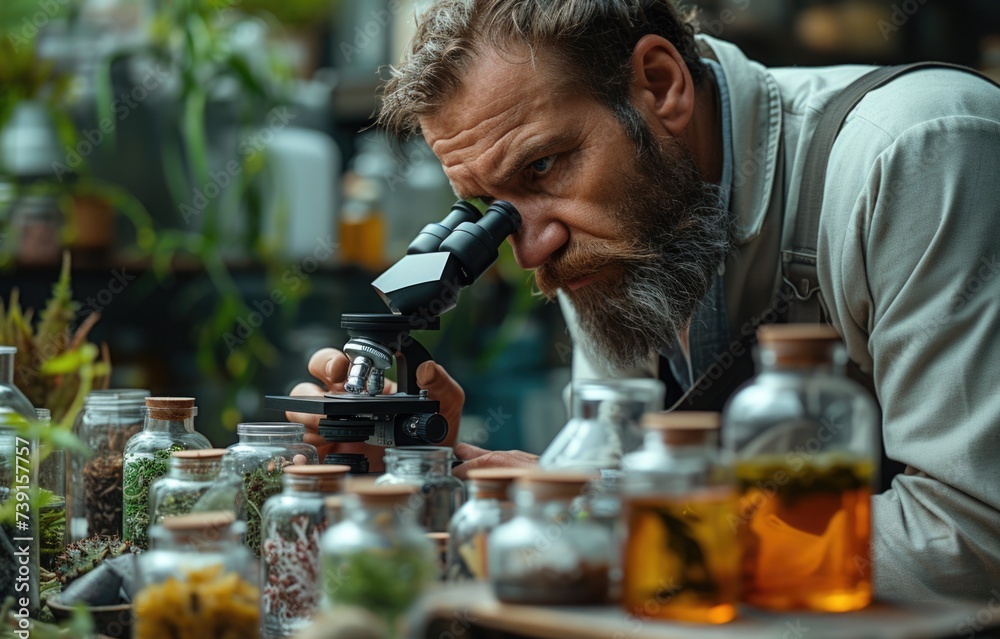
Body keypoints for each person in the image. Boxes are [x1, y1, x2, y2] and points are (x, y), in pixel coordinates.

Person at [288, 0, 1000, 603]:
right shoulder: (598, 234)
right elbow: (618, 489)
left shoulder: (915, 154)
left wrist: (621, 525)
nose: (531, 251)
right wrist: (433, 477)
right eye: (489, 209)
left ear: (660, 84)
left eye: (543, 166)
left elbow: (970, 540)